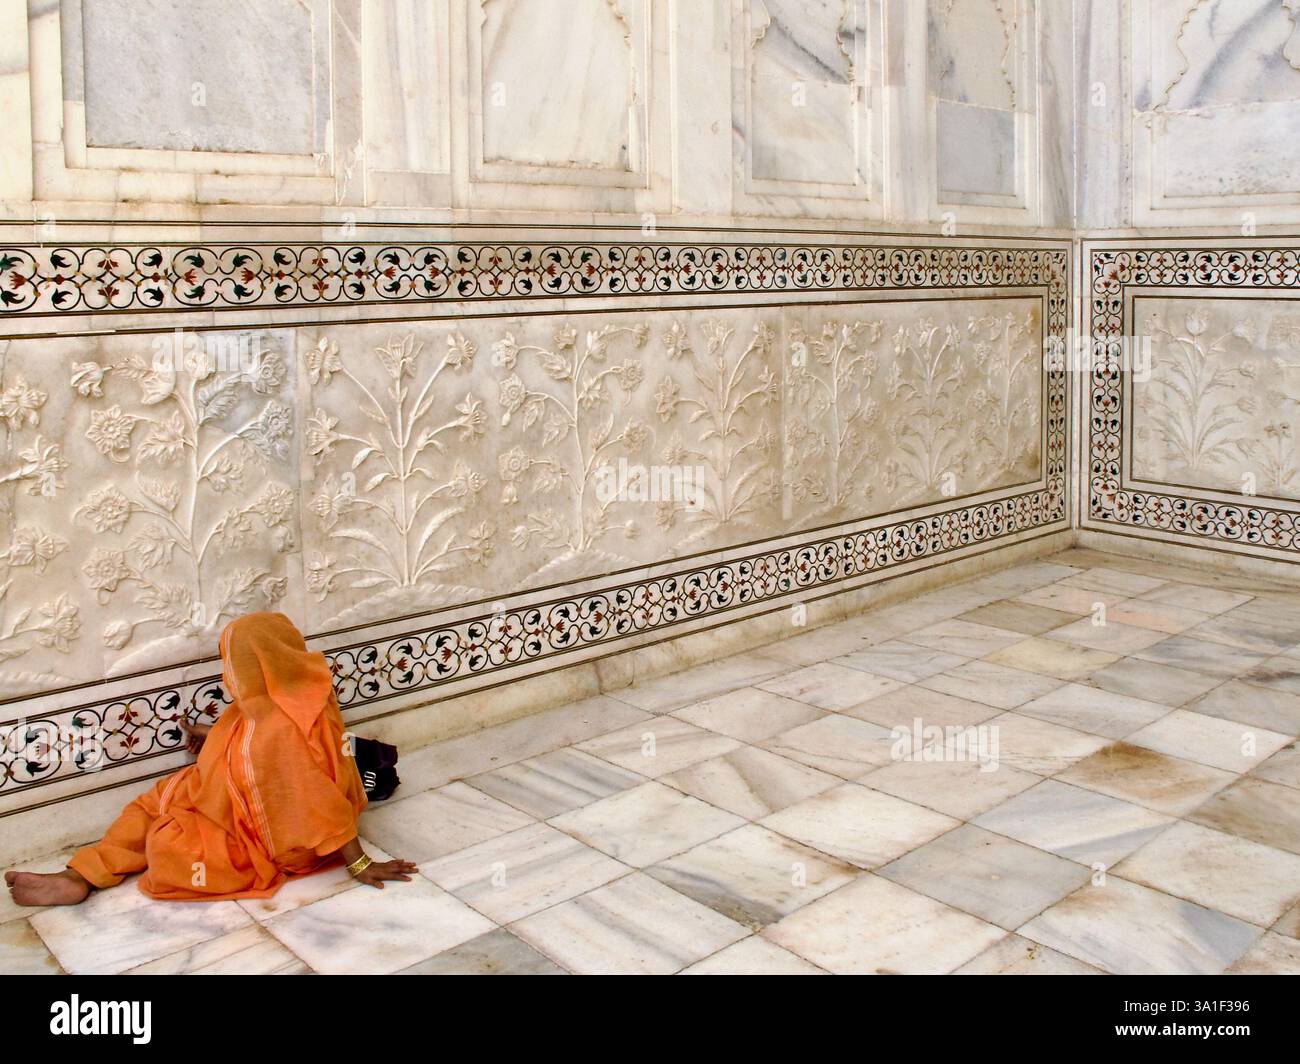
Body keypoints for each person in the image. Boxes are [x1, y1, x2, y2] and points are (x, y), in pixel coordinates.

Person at [5, 612, 416, 906]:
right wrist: (215, 737)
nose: (229, 674)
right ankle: (81, 875)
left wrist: (359, 864)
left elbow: (317, 799)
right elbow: (258, 744)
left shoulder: (279, 728)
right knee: (158, 800)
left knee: (166, 840)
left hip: (271, 836)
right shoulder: (300, 692)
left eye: (233, 663)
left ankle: (82, 878)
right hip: (245, 804)